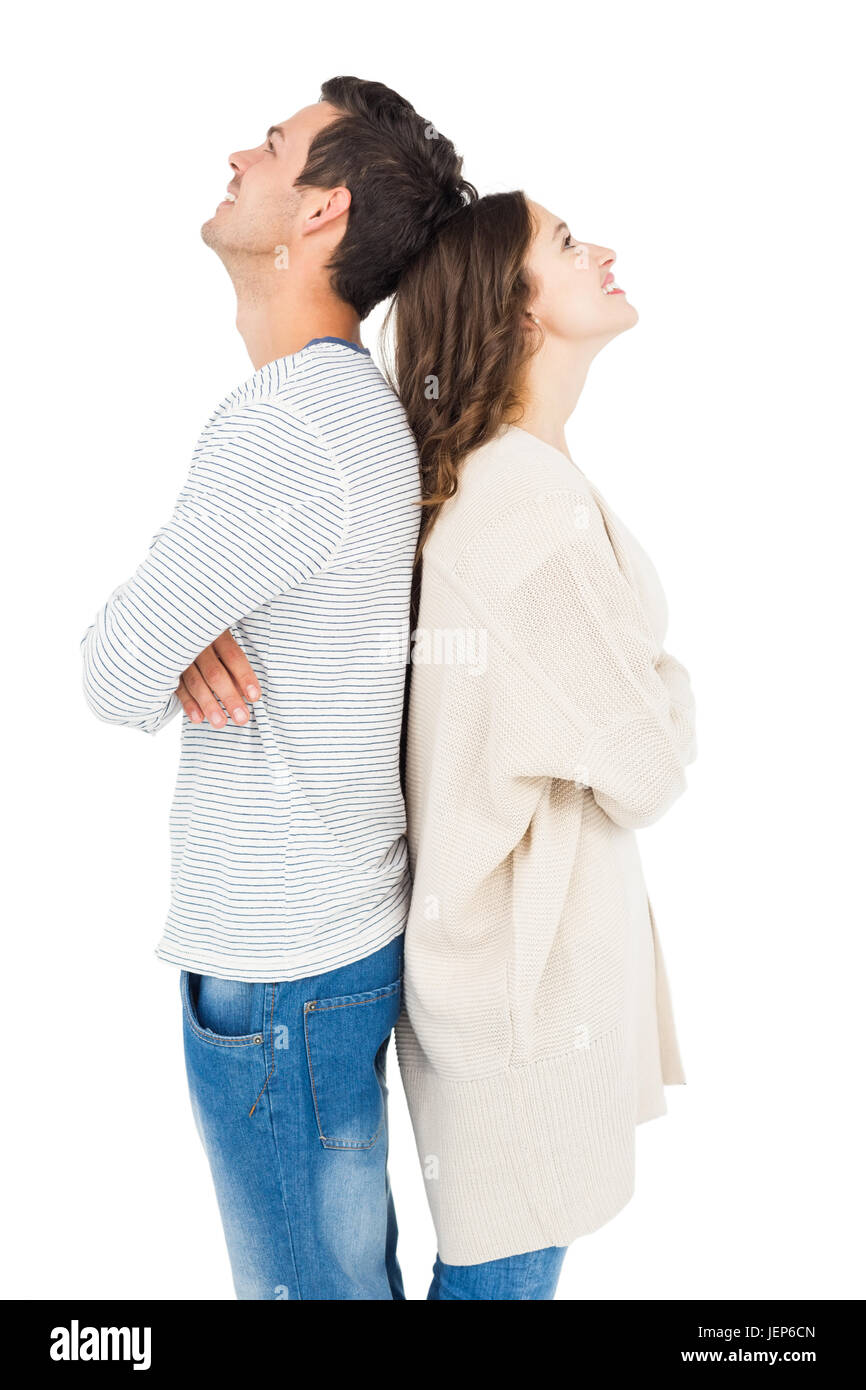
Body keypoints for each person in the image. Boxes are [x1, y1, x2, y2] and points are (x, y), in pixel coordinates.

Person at [81, 77, 474, 1301]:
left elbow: (108, 670)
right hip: (321, 940)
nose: (237, 155)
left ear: (322, 210)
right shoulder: (338, 413)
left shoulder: (288, 427)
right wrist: (181, 613)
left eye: (271, 144)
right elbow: (153, 642)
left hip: (279, 966)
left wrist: (174, 616)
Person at [388, 191, 697, 1300]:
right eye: (568, 244)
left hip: (505, 993)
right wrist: (662, 689)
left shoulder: (507, 477)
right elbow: (650, 764)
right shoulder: (524, 508)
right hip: (517, 1006)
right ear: (513, 313)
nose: (603, 250)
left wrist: (642, 695)